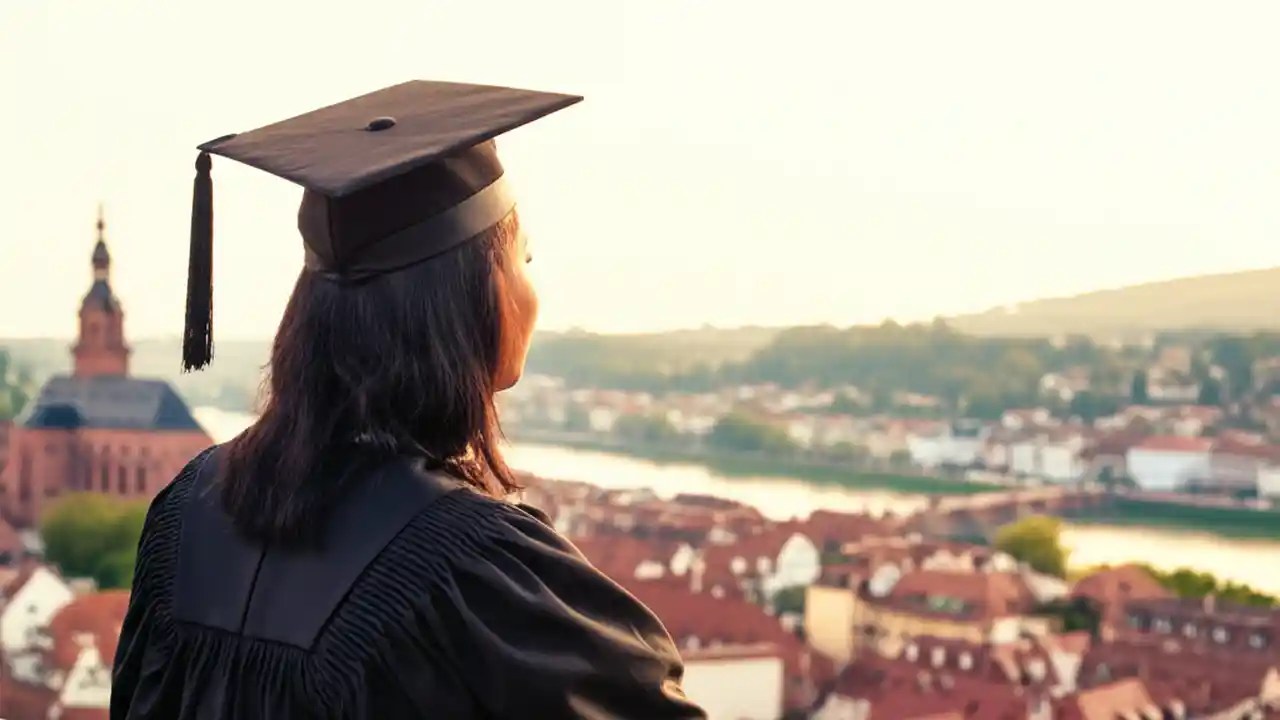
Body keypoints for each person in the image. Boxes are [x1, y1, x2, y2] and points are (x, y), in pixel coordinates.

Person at [110, 81, 707, 720]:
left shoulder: (188, 513)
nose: (534, 293)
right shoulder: (473, 572)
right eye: (523, 259)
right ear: (474, 296)